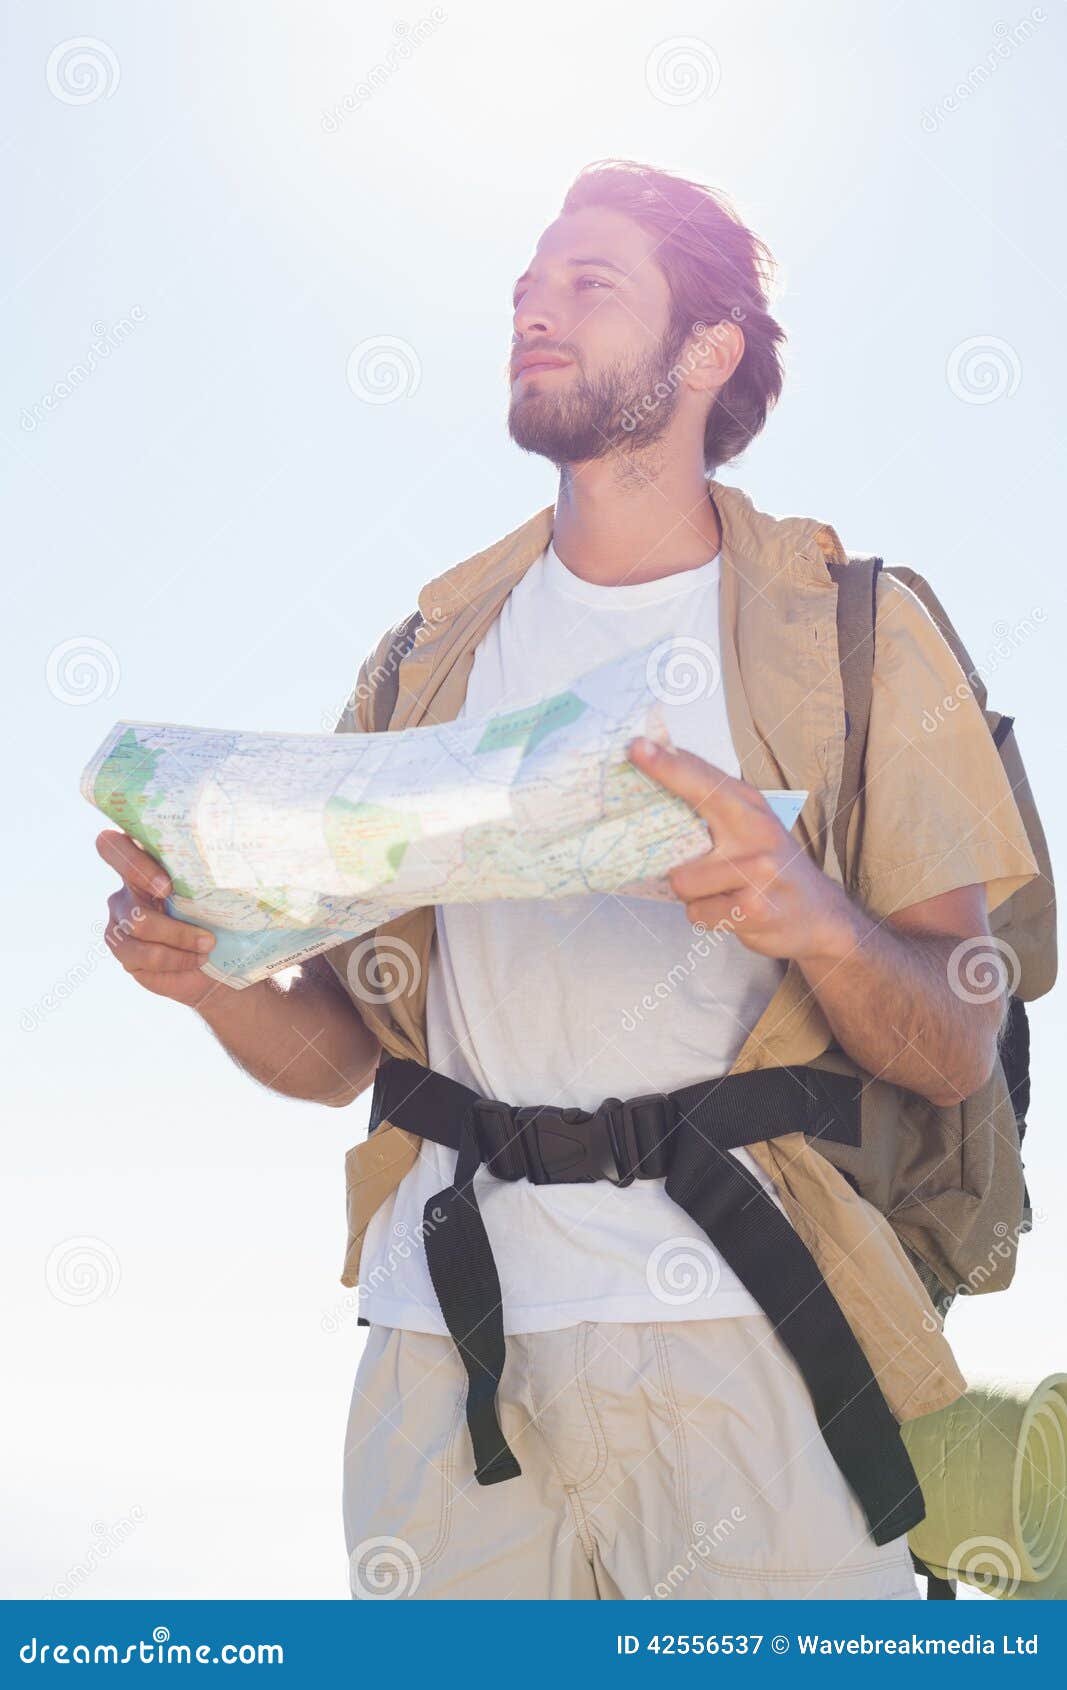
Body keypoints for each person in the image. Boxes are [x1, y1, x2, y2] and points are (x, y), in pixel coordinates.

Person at [98, 160, 1039, 1600]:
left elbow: (956, 1030)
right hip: (442, 1350)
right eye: (528, 286)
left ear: (707, 348)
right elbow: (343, 1044)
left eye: (590, 284)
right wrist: (203, 977)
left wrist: (812, 915)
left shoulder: (855, 632)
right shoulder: (425, 663)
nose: (535, 306)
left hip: (748, 1330)